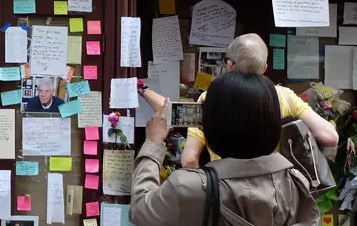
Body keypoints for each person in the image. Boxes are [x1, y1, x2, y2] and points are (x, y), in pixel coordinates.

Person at [130, 71, 320, 226]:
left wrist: (153, 142)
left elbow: (140, 210)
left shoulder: (187, 188)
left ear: (211, 126)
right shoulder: (296, 184)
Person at [140, 33, 338, 168]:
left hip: (227, 188)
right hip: (274, 187)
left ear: (229, 65)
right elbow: (330, 137)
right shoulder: (284, 96)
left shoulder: (210, 98)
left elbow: (189, 160)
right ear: (265, 67)